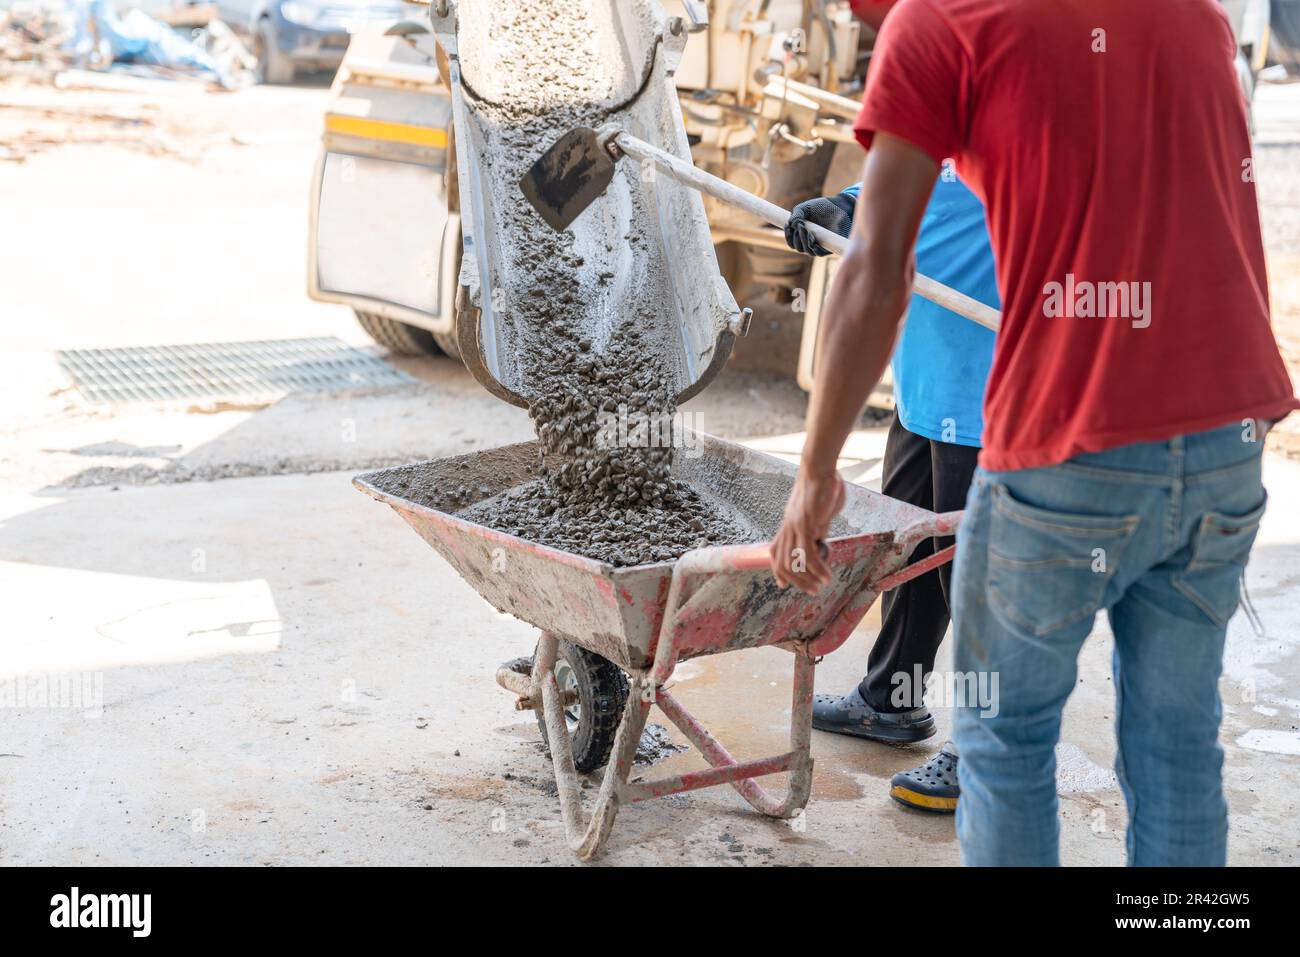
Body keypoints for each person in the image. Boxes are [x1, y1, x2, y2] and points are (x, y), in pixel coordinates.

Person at [770, 0, 1297, 866]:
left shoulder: (938, 21)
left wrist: (817, 470)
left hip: (1069, 439)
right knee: (1176, 754)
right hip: (1226, 436)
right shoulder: (1196, 15)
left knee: (1004, 745)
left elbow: (875, 267)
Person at [784, 172, 998, 813]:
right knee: (906, 552)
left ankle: (988, 751)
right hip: (928, 378)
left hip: (994, 395)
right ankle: (891, 699)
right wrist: (847, 207)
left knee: (979, 584)